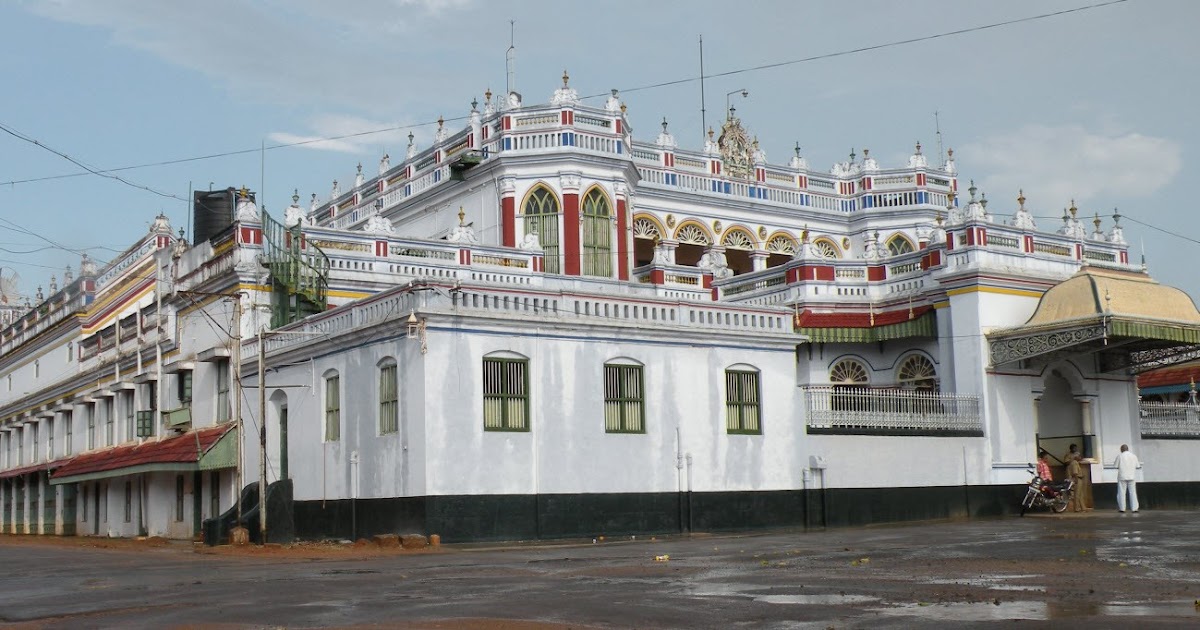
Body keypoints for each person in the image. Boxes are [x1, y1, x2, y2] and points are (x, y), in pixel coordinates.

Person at [1115, 444, 1141, 513]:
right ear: (1127, 449)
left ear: (1122, 449)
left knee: (1121, 492)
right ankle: (1134, 508)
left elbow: (1116, 466)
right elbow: (1138, 466)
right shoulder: (1134, 456)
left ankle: (1122, 508)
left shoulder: (1119, 456)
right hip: (1131, 476)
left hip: (1122, 476)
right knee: (1133, 492)